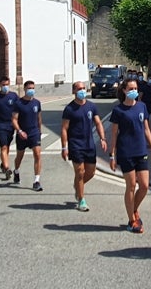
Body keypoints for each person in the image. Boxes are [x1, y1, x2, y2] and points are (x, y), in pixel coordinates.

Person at [109, 77, 151, 233]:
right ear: (124, 91)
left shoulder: (142, 107)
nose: (134, 91)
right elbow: (114, 134)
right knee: (131, 186)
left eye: (135, 89)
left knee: (144, 185)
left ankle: (134, 209)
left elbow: (146, 129)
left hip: (141, 151)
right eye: (130, 89)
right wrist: (112, 155)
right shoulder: (118, 110)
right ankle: (132, 220)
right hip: (126, 152)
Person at [61, 81, 108, 211]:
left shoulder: (91, 106)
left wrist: (103, 138)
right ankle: (81, 200)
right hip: (75, 145)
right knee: (80, 172)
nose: (82, 91)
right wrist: (64, 147)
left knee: (91, 172)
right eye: (79, 89)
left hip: (89, 144)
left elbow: (98, 123)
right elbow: (64, 128)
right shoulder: (69, 109)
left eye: (83, 88)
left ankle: (77, 185)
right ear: (74, 91)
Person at [11, 80, 44, 191]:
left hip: (34, 133)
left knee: (37, 154)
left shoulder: (37, 103)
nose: (31, 90)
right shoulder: (18, 103)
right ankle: (16, 170)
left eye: (33, 88)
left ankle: (36, 180)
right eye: (29, 88)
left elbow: (39, 118)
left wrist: (39, 131)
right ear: (24, 89)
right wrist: (20, 131)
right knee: (20, 156)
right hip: (22, 133)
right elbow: (14, 119)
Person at [0, 76, 18, 179]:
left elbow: (18, 110)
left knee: (7, 146)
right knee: (3, 146)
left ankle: (3, 163)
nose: (5, 86)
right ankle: (6, 168)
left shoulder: (14, 96)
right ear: (0, 85)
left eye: (7, 84)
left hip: (11, 125)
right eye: (3, 85)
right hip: (0, 124)